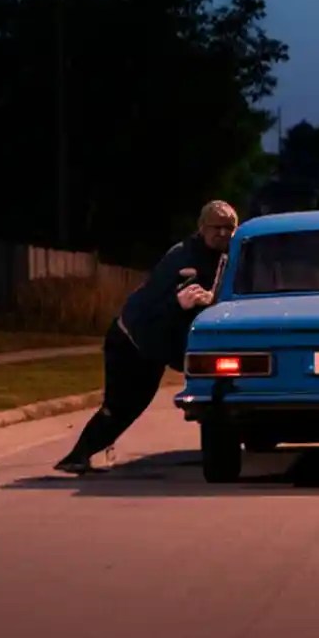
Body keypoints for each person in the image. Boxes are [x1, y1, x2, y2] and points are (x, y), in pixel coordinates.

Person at [53, 200, 237, 474]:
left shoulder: (226, 256)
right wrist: (179, 302)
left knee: (136, 404)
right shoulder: (182, 258)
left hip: (157, 346)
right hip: (131, 340)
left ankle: (91, 451)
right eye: (216, 228)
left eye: (228, 228)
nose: (222, 233)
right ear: (202, 228)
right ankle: (77, 456)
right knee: (120, 404)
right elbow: (154, 305)